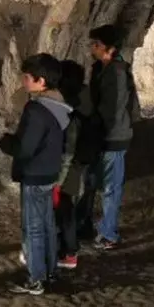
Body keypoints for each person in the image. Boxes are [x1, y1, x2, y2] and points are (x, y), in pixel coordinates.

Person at [0, 54, 73, 295]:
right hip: (49, 173)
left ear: (41, 81)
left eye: (27, 78)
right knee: (47, 225)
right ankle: (49, 272)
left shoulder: (37, 109)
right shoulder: (59, 105)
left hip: (35, 175)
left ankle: (36, 278)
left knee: (34, 228)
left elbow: (23, 148)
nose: (23, 82)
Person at [76, 24, 138, 251]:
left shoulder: (116, 72)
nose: (92, 48)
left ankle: (109, 233)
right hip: (100, 134)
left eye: (97, 44)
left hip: (112, 137)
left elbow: (113, 108)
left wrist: (97, 130)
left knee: (111, 186)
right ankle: (85, 224)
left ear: (110, 48)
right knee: (91, 182)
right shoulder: (101, 68)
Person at [55, 59, 90, 269]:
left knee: (63, 210)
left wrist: (58, 178)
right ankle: (68, 250)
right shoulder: (80, 101)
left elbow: (68, 148)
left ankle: (68, 252)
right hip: (76, 166)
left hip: (67, 168)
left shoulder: (69, 109)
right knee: (66, 208)